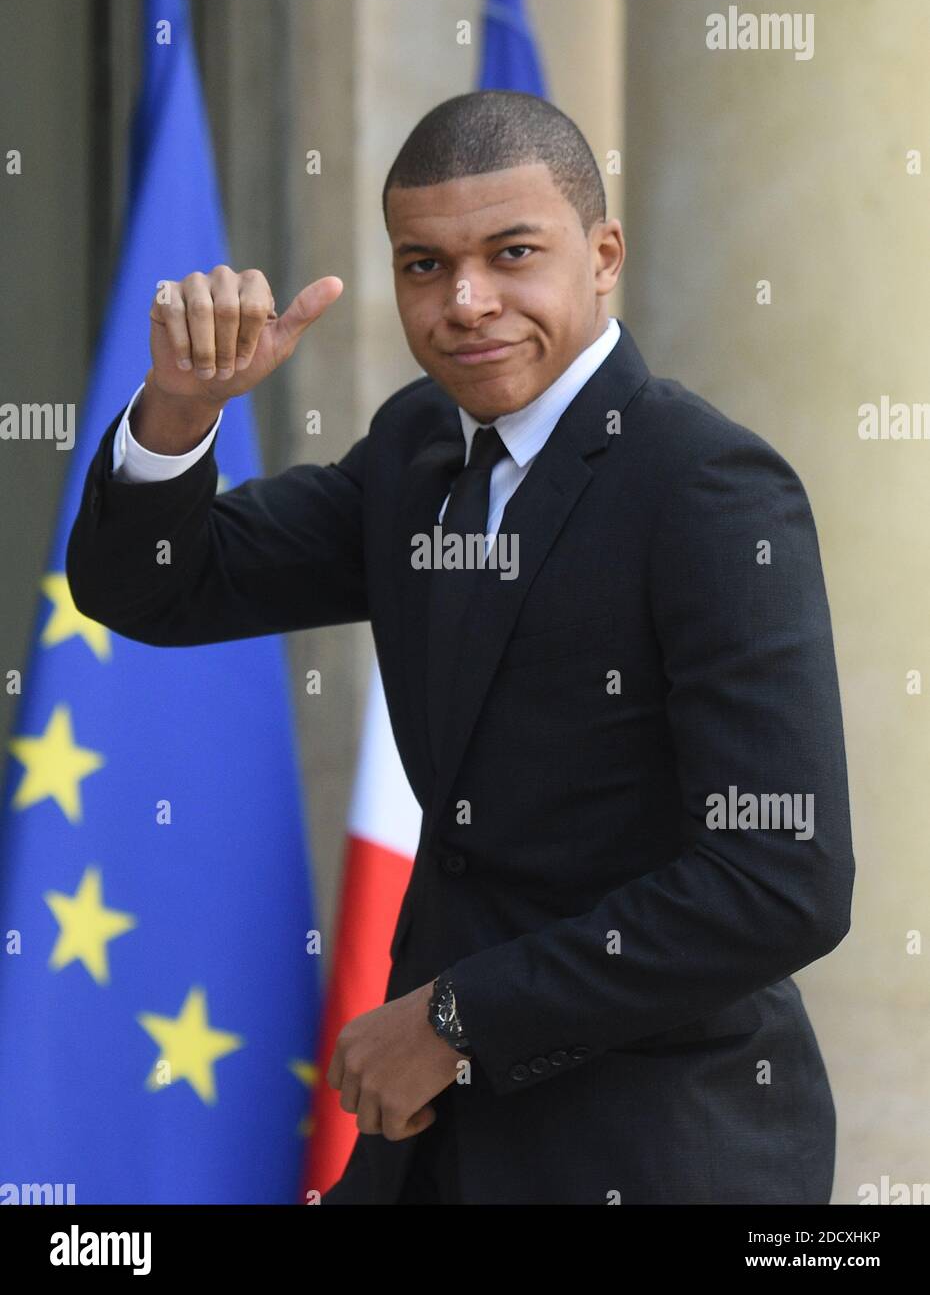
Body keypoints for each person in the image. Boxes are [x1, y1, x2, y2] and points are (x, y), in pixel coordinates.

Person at [66, 90, 854, 1205]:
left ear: (604, 255)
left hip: (658, 1150)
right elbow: (156, 587)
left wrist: (454, 1020)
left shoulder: (707, 487)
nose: (467, 302)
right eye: (424, 266)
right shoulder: (417, 447)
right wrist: (180, 411)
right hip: (429, 1153)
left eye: (512, 254)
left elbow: (780, 880)